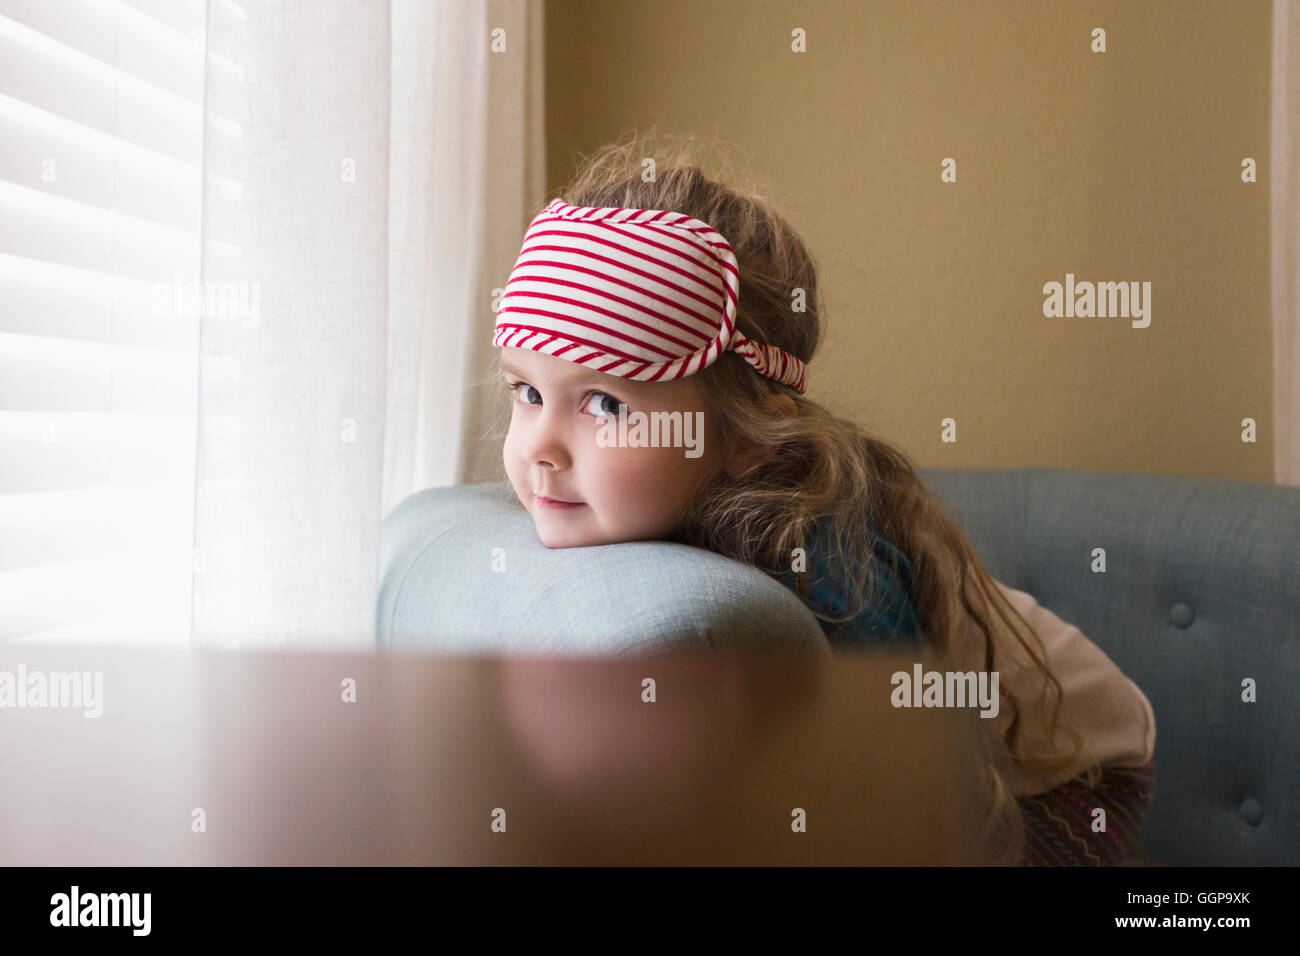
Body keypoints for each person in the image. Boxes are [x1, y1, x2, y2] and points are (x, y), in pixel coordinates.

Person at [491, 133, 1156, 866]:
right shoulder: (646, 503)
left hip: (1077, 769)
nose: (538, 448)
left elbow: (925, 784)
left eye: (605, 405)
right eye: (527, 392)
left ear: (744, 434)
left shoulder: (829, 562)